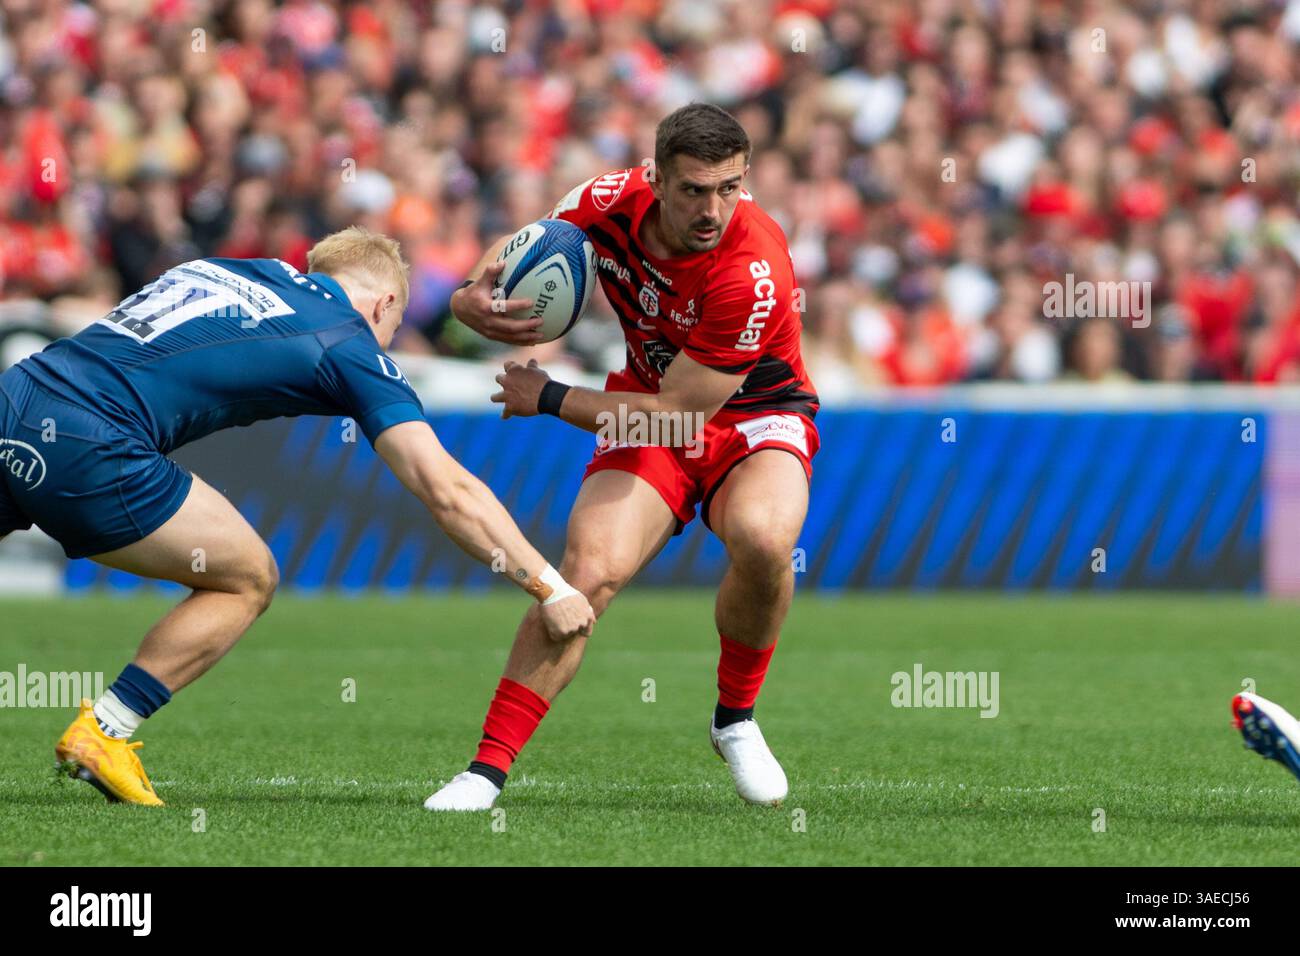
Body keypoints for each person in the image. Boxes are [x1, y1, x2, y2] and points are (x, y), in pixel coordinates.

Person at [0, 226, 595, 806]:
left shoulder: (228, 269)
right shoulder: (348, 341)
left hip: (18, 393)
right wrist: (547, 584)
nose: (384, 344)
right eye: (389, 328)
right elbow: (447, 490)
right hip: (94, 443)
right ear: (385, 302)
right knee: (246, 577)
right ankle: (105, 731)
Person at [427, 103, 819, 810]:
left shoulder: (753, 268)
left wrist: (547, 396)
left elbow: (680, 417)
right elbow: (528, 247)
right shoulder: (606, 200)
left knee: (765, 540)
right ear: (655, 178)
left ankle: (734, 719)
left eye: (730, 187)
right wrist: (467, 298)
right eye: (696, 189)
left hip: (755, 416)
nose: (714, 208)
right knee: (586, 576)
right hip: (647, 401)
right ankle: (485, 771)